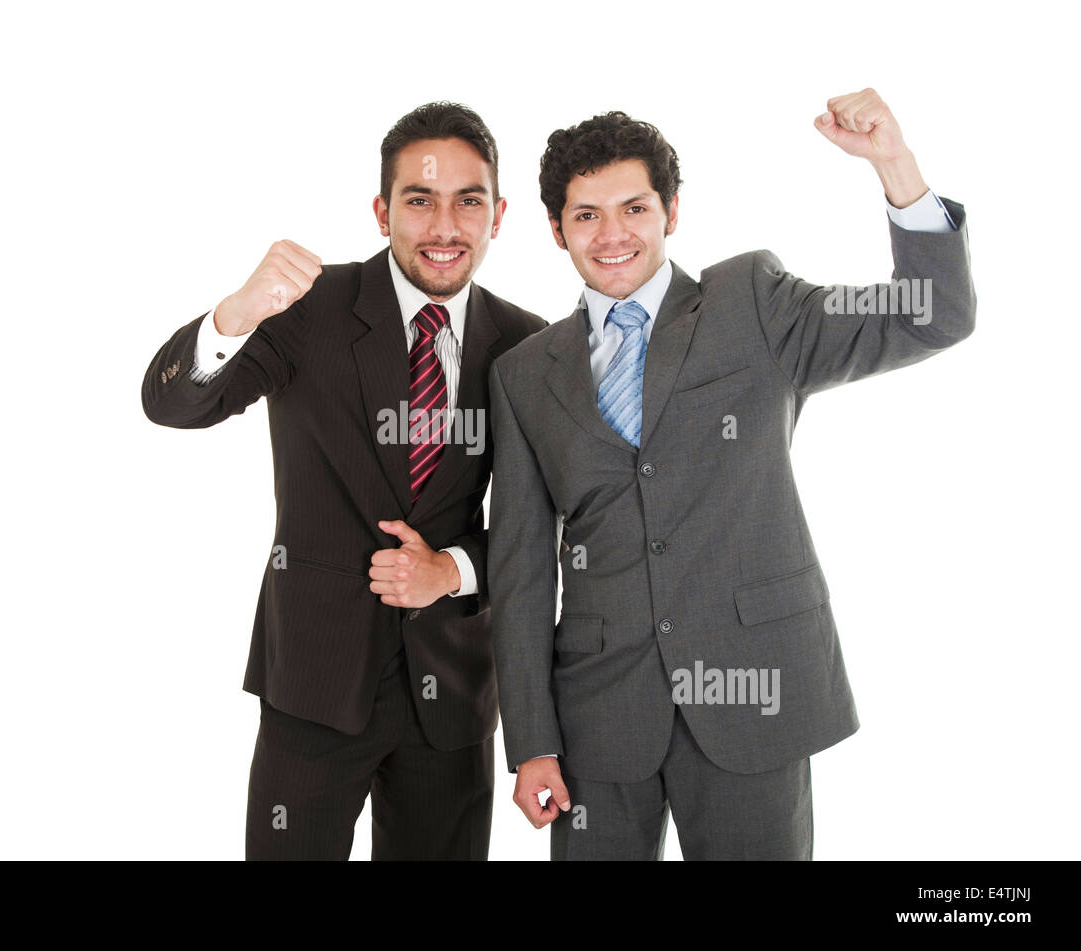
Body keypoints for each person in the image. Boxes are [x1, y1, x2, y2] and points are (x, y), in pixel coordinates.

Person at [487, 88, 974, 860]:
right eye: (586, 215)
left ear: (671, 211)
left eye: (635, 208)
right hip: (598, 720)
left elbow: (933, 314)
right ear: (556, 229)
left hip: (755, 693)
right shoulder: (523, 374)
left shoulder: (751, 303)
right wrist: (531, 740)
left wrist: (894, 164)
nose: (612, 235)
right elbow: (518, 572)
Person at [141, 102, 546, 860]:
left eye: (468, 200)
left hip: (452, 698)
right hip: (315, 685)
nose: (445, 226)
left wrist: (451, 570)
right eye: (419, 200)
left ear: (498, 215)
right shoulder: (308, 310)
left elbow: (547, 524)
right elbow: (171, 405)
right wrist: (235, 315)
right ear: (381, 211)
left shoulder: (529, 346)